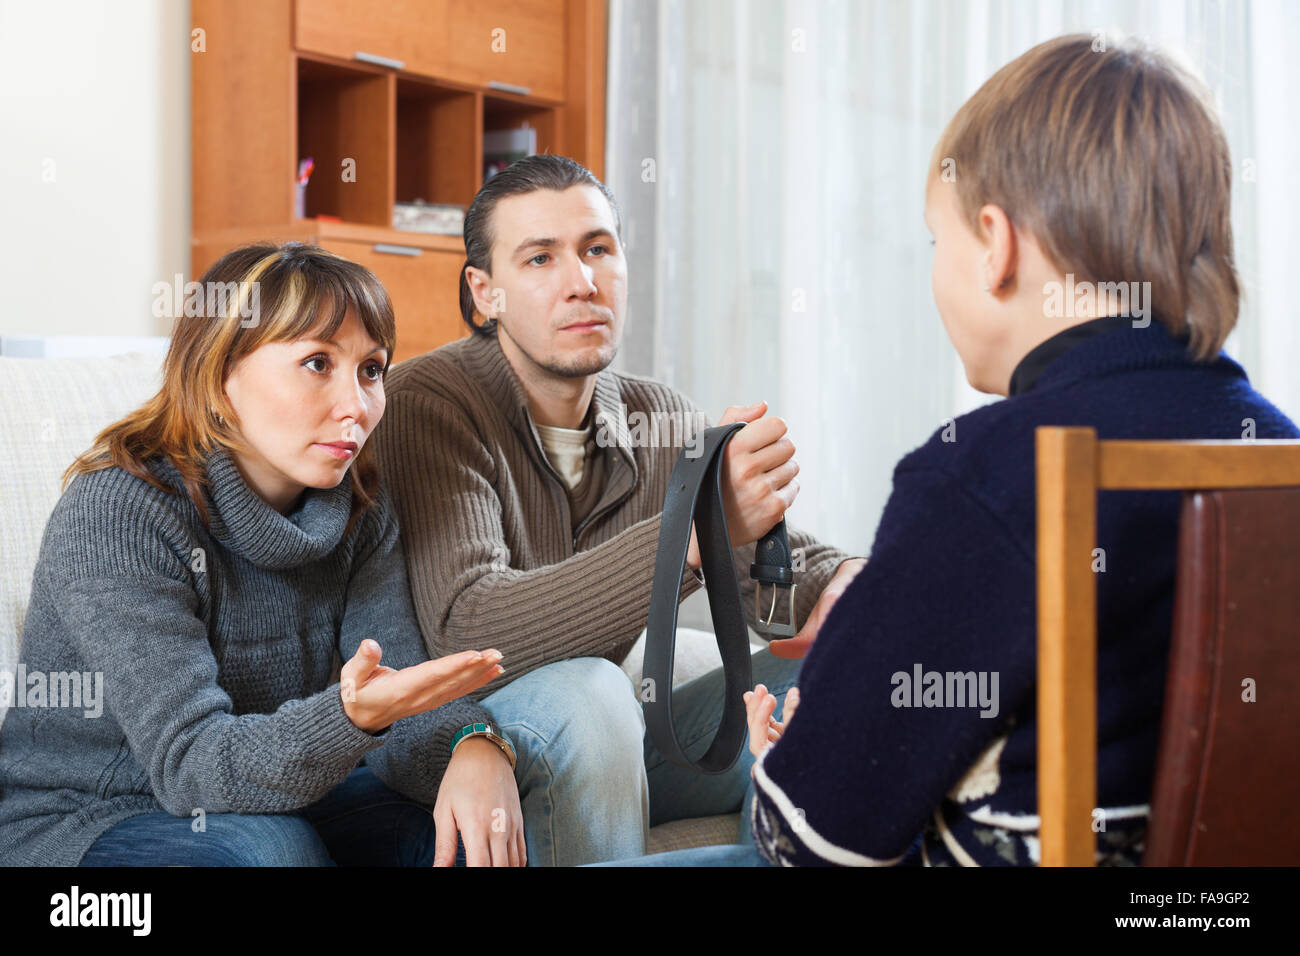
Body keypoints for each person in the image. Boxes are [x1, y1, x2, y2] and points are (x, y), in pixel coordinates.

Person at [601, 33, 1300, 866]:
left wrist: (778, 764)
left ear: (997, 245)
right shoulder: (1273, 449)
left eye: (940, 241)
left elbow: (816, 839)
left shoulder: (984, 471)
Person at [369, 154, 866, 866]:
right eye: (540, 259)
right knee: (594, 691)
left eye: (599, 249)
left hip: (612, 743)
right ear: (485, 293)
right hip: (474, 746)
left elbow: (762, 576)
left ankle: (785, 853)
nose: (582, 282)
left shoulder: (655, 413)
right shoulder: (426, 403)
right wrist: (693, 532)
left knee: (840, 668)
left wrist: (842, 580)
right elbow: (469, 627)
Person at [0, 242, 525, 867]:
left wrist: (474, 743)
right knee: (273, 853)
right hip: (83, 822)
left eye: (371, 370)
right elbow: (190, 766)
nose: (355, 407)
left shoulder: (359, 507)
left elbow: (405, 695)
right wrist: (350, 718)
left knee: (461, 836)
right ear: (221, 377)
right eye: (316, 363)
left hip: (278, 800)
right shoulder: (118, 512)